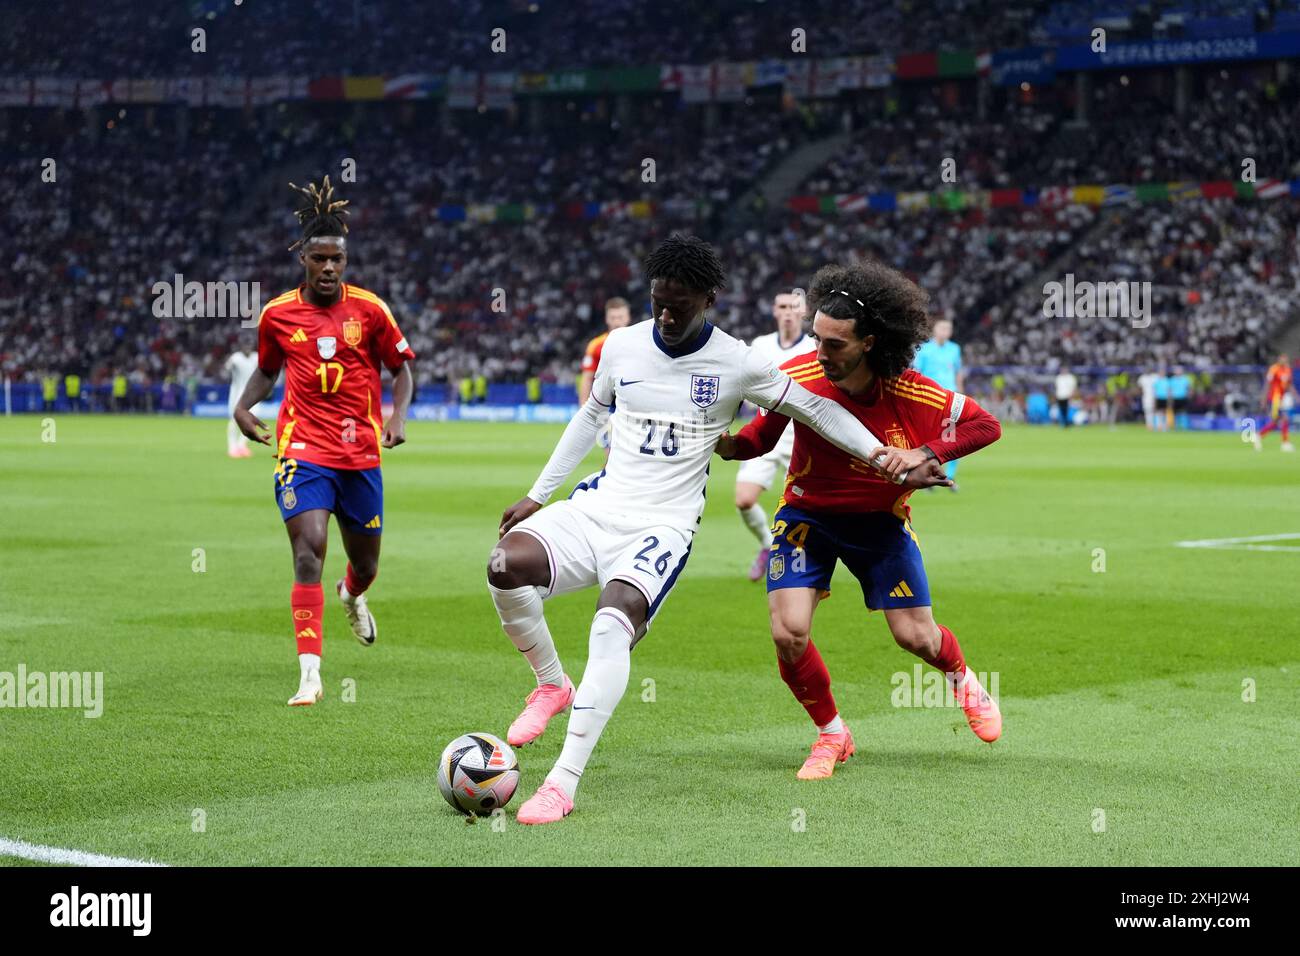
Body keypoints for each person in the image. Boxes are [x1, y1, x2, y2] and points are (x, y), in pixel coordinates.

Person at [486, 235, 948, 825]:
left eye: (679, 303)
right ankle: (551, 685)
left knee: (611, 626)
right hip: (598, 507)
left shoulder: (739, 363)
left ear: (709, 299)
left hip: (663, 526)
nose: (666, 315)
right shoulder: (622, 348)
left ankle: (562, 782)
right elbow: (590, 416)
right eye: (658, 301)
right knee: (503, 565)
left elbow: (819, 410)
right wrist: (538, 494)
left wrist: (881, 453)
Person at [719, 261, 1002, 778]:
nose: (819, 353)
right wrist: (727, 444)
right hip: (807, 517)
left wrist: (926, 452)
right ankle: (831, 735)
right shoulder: (799, 377)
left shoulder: (912, 391)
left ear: (870, 342)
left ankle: (963, 679)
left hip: (879, 523)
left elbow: (987, 425)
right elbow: (760, 439)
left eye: (835, 345)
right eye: (816, 338)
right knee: (789, 632)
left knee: (916, 638)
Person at [232, 177, 416, 706]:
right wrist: (244, 406)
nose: (330, 268)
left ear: (345, 260)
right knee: (308, 551)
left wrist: (398, 415)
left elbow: (401, 369)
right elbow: (267, 370)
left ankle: (352, 595)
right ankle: (310, 673)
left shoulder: (371, 311)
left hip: (360, 455)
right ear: (304, 261)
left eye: (337, 259)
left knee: (366, 567)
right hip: (302, 450)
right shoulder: (277, 314)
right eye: (320, 259)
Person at [734, 290, 809, 581]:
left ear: (802, 312)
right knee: (744, 499)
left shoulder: (814, 346)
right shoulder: (761, 345)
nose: (788, 311)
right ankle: (768, 544)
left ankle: (808, 559)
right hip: (766, 429)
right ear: (774, 311)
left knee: (808, 503)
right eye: (782, 306)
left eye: (793, 306)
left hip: (802, 433)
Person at [911, 316, 964, 488]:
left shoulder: (954, 349)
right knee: (929, 439)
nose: (945, 332)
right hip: (930, 399)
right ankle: (929, 474)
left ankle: (950, 476)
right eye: (942, 328)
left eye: (948, 329)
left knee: (952, 438)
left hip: (950, 398)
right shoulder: (924, 350)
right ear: (935, 330)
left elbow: (958, 372)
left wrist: (961, 393)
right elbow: (917, 373)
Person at [579, 297, 633, 452]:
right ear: (606, 319)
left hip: (633, 405)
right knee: (611, 454)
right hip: (607, 407)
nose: (617, 322)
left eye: (620, 317)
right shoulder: (596, 345)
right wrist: (584, 408)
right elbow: (587, 378)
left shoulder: (640, 342)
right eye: (613, 318)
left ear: (628, 318)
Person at [1254, 353, 1296, 452]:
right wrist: (1263, 399)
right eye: (1282, 358)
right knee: (1283, 419)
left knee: (1277, 421)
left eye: (1285, 359)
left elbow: (1289, 385)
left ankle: (1259, 436)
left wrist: (1296, 396)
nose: (1284, 361)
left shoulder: (1287, 370)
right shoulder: (1274, 369)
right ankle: (1285, 443)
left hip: (1280, 398)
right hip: (1274, 398)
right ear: (1278, 359)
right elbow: (1267, 384)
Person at [224, 348, 259, 457]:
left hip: (252, 392)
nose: (246, 348)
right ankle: (232, 447)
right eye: (245, 345)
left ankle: (241, 445)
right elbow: (227, 369)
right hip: (237, 392)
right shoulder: (236, 357)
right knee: (234, 420)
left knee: (253, 419)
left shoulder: (256, 357)